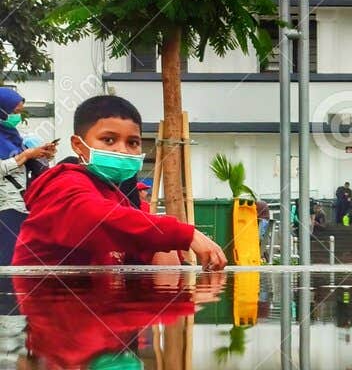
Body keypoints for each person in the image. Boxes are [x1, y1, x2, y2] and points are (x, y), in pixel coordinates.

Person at [12, 94, 226, 269]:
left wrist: (179, 307)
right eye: (109, 140)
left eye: (133, 142)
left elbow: (143, 244)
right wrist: (186, 234)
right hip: (46, 308)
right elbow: (95, 216)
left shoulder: (115, 196)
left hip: (94, 310)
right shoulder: (64, 184)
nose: (122, 150)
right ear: (78, 145)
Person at [0, 87, 55, 265]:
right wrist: (25, 156)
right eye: (15, 112)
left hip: (21, 206)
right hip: (4, 207)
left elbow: (33, 168)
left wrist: (43, 153)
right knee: (8, 262)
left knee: (21, 261)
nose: (18, 117)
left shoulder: (15, 137)